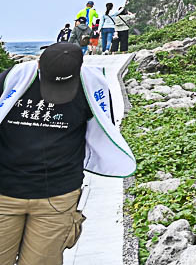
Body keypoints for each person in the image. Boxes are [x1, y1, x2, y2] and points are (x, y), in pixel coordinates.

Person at [0, 42, 136, 265]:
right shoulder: (11, 81)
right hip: (4, 194)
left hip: (57, 198)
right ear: (38, 64)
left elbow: (103, 132)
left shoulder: (91, 89)